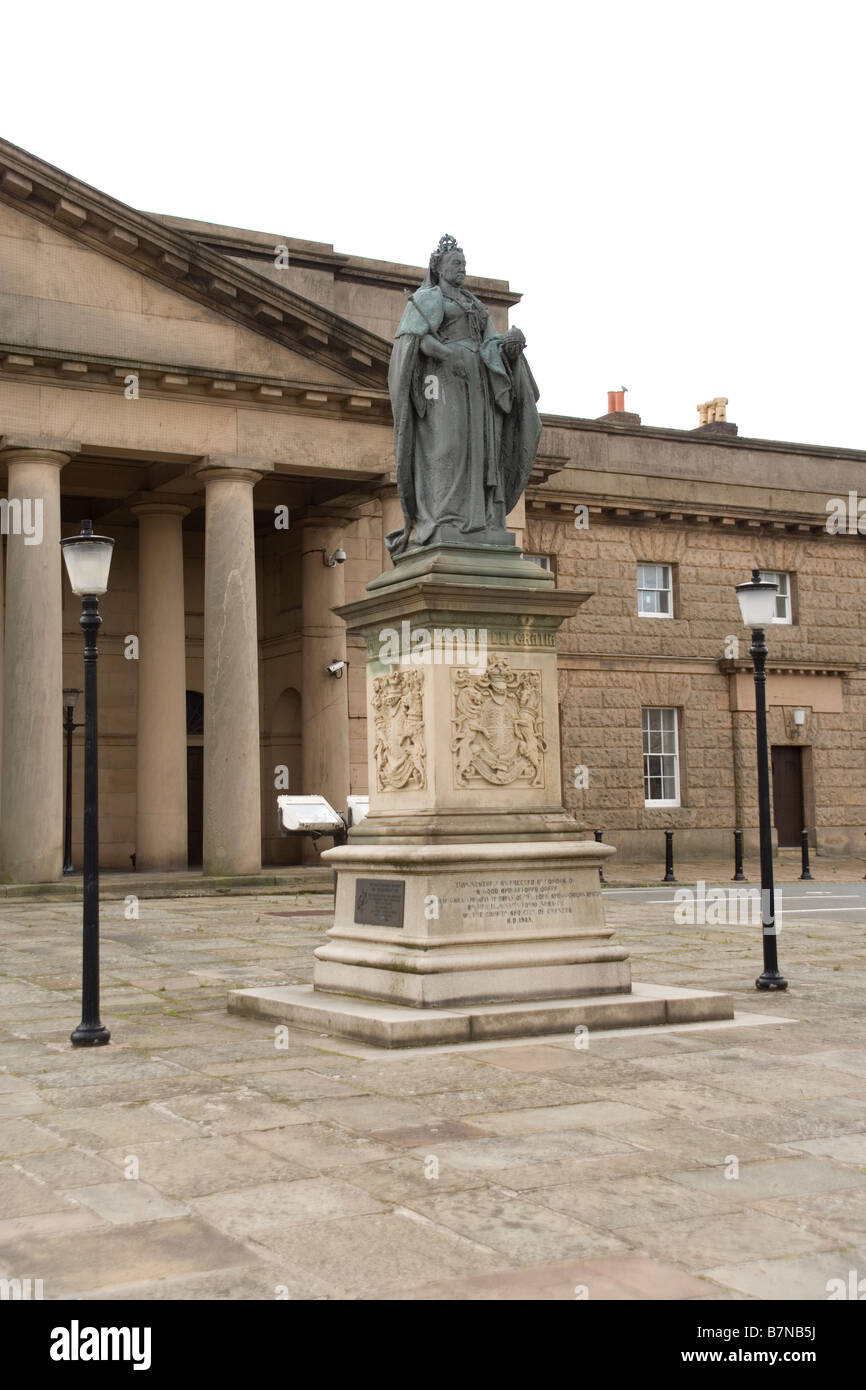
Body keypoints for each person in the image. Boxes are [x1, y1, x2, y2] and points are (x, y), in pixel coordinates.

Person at [387, 234, 541, 557]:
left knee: (480, 449)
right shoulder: (430, 299)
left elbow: (491, 341)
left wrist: (509, 345)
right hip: (443, 382)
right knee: (449, 445)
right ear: (439, 267)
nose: (461, 268)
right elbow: (417, 338)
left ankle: (480, 520)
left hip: (478, 383)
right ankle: (443, 517)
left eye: (463, 263)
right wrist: (447, 354)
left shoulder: (474, 305)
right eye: (455, 263)